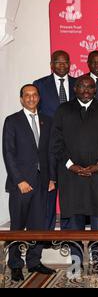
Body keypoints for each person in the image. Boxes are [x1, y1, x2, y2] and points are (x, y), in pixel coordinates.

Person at [50, 75, 98, 262]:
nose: (86, 90)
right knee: (74, 223)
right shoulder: (63, 110)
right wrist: (71, 166)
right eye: (82, 86)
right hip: (71, 177)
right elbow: (56, 143)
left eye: (90, 87)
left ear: (95, 90)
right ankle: (75, 264)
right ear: (75, 89)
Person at [2, 84, 56, 281]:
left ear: (39, 98)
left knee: (38, 225)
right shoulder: (12, 121)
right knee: (18, 225)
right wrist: (19, 180)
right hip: (21, 185)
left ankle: (34, 261)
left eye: (34, 95)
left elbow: (50, 151)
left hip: (42, 183)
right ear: (21, 99)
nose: (31, 98)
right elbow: (8, 153)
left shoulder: (47, 121)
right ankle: (15, 264)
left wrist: (52, 178)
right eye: (27, 95)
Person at [33, 50, 76, 230]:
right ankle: (47, 235)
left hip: (72, 149)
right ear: (52, 64)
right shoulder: (40, 85)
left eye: (65, 62)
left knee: (70, 196)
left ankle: (69, 236)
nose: (61, 65)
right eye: (57, 62)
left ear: (69, 64)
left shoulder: (78, 84)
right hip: (48, 149)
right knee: (49, 195)